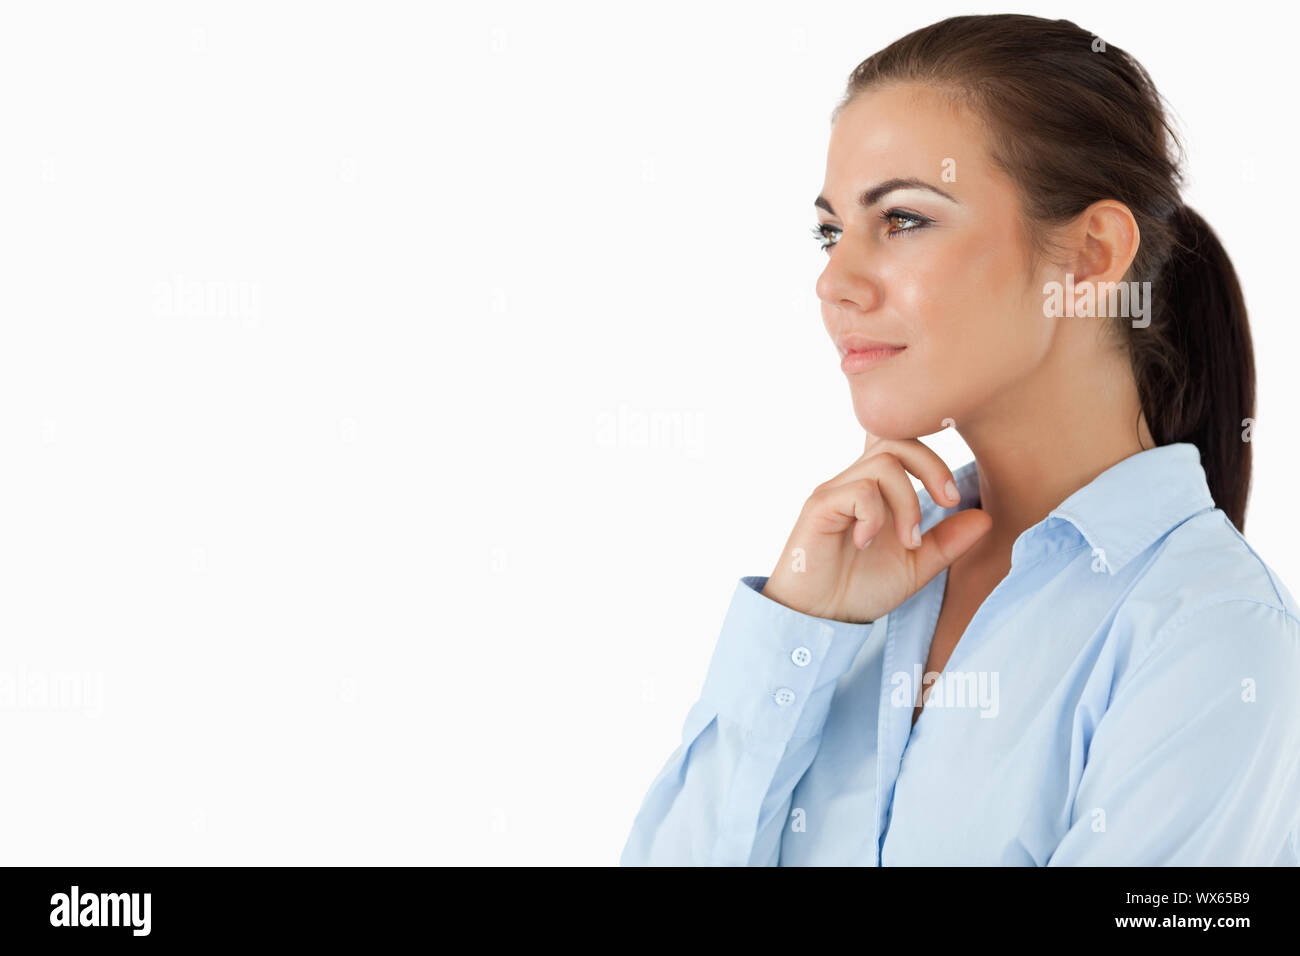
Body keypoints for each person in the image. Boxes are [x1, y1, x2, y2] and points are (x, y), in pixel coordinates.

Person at [619, 13, 1300, 866]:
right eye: (831, 231)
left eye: (903, 220)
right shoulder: (855, 595)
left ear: (1090, 256)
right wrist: (798, 626)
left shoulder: (1214, 634)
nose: (833, 281)